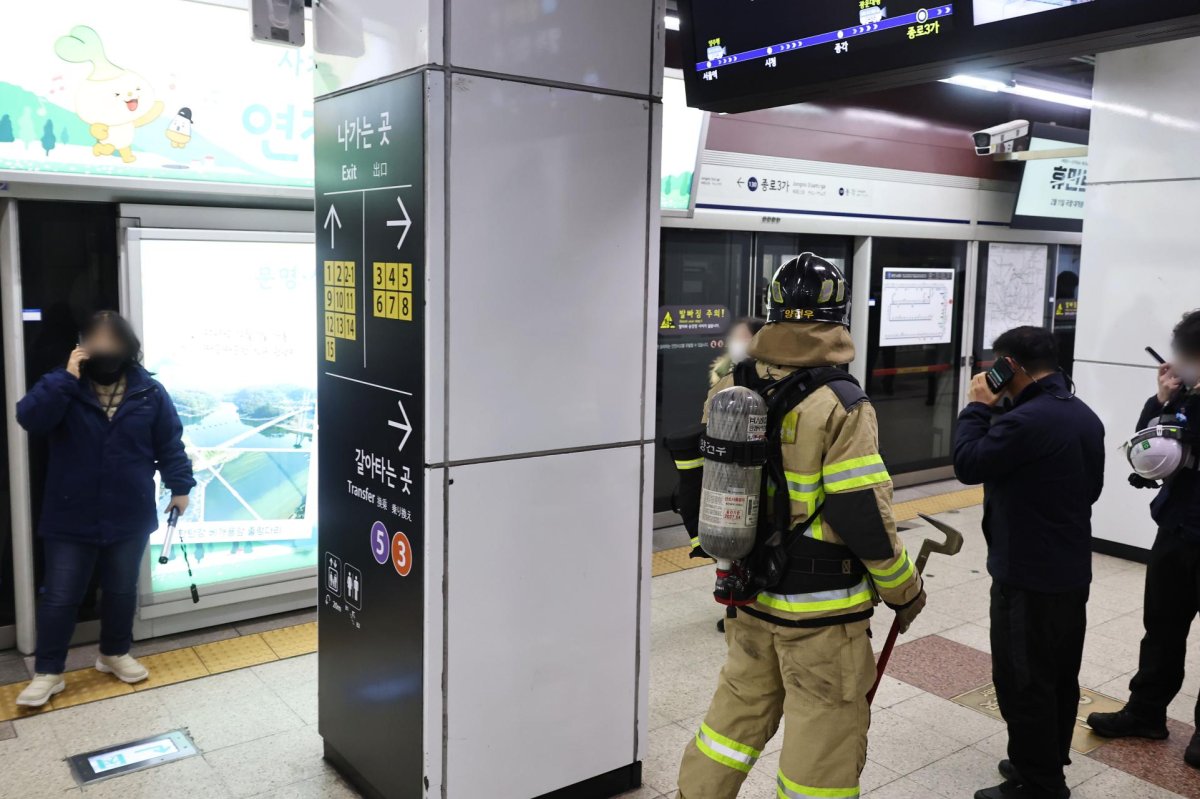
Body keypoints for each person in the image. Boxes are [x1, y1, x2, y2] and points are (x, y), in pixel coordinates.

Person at [676, 254, 926, 799]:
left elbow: (702, 483)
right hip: (821, 612)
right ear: (839, 317)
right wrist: (903, 589)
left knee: (731, 722)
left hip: (746, 590)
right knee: (823, 742)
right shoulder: (842, 402)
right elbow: (861, 508)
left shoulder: (730, 387)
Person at [953, 326, 1105, 799]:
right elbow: (1091, 490)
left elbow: (968, 463)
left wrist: (977, 406)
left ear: (1011, 367)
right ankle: (1042, 757)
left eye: (997, 365)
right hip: (1069, 568)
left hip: (1026, 573)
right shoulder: (1082, 415)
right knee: (1058, 672)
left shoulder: (1026, 421)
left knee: (1023, 679)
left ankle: (1040, 784)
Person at [14, 311, 194, 707]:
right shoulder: (62, 385)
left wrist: (180, 486)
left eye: (113, 339)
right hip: (69, 512)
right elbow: (30, 418)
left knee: (119, 590)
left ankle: (113, 653)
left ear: (128, 346)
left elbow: (169, 443)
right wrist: (65, 377)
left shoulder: (149, 391)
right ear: (81, 344)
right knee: (60, 596)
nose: (105, 347)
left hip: (128, 511)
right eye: (96, 339)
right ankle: (49, 672)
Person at [1087, 309, 1200, 768]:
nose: (1181, 364)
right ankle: (1145, 712)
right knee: (1162, 629)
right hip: (1176, 530)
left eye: (1189, 357)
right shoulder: (1186, 396)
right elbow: (1148, 445)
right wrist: (1162, 399)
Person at [709, 316, 764, 635]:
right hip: (723, 467)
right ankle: (733, 602)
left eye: (741, 337)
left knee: (739, 534)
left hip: (741, 472)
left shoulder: (758, 379)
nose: (735, 342)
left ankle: (738, 606)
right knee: (728, 534)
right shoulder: (730, 373)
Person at [708, 317, 765, 388]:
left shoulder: (769, 377)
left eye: (742, 336)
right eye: (734, 336)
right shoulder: (722, 373)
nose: (735, 341)